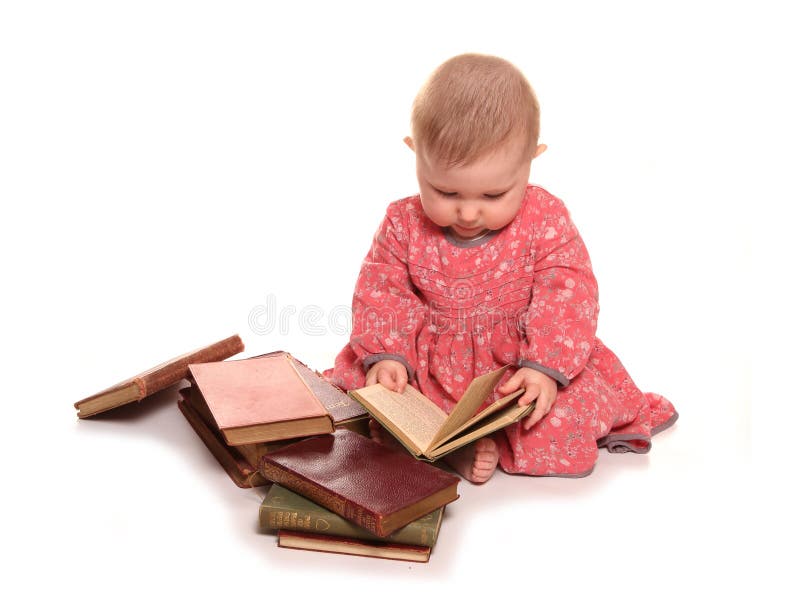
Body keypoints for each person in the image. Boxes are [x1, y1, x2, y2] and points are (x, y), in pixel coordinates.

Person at [327, 53, 677, 483]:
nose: (469, 212)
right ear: (415, 154)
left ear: (531, 160)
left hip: (515, 370)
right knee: (371, 400)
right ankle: (445, 448)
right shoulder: (402, 222)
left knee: (554, 420)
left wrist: (545, 365)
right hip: (428, 366)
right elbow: (382, 290)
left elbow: (568, 292)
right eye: (445, 190)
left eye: (493, 195)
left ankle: (470, 440)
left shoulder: (544, 217)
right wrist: (388, 354)